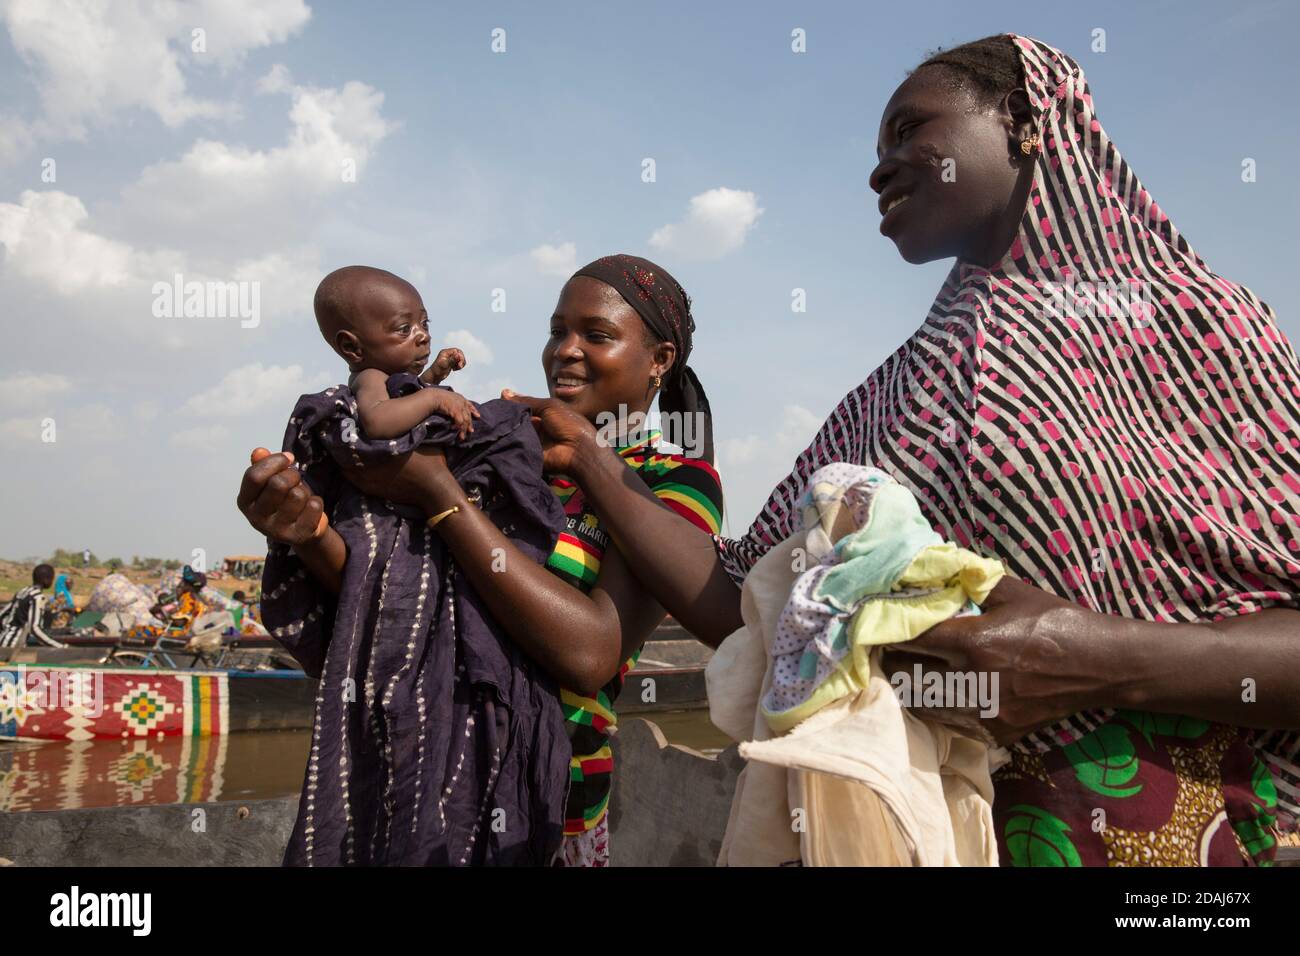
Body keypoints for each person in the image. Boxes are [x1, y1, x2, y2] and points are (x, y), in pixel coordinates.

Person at [496, 36, 1300, 866]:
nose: (880, 169)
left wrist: (1100, 659)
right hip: (943, 830)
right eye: (876, 150)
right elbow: (744, 598)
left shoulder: (1195, 323)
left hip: (1182, 842)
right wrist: (595, 460)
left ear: (1026, 120)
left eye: (910, 131)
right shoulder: (899, 394)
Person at [238, 254, 724, 866]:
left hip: (547, 812)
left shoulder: (669, 480)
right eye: (556, 331)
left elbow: (591, 653)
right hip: (419, 771)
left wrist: (439, 493)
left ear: (659, 359)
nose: (564, 352)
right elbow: (402, 595)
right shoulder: (500, 446)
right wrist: (308, 534)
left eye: (595, 336)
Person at [316, 265, 478, 447]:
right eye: (404, 329)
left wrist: (433, 375)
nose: (424, 336)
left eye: (424, 323)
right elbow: (378, 421)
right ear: (352, 347)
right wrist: (435, 398)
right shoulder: (369, 377)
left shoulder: (386, 378)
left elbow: (404, 402)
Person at [0, 564, 65, 648]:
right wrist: (59, 646)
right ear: (46, 580)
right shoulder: (37, 597)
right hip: (14, 646)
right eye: (52, 578)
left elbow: (2, 615)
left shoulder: (23, 591)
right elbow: (34, 628)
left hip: (3, 641)